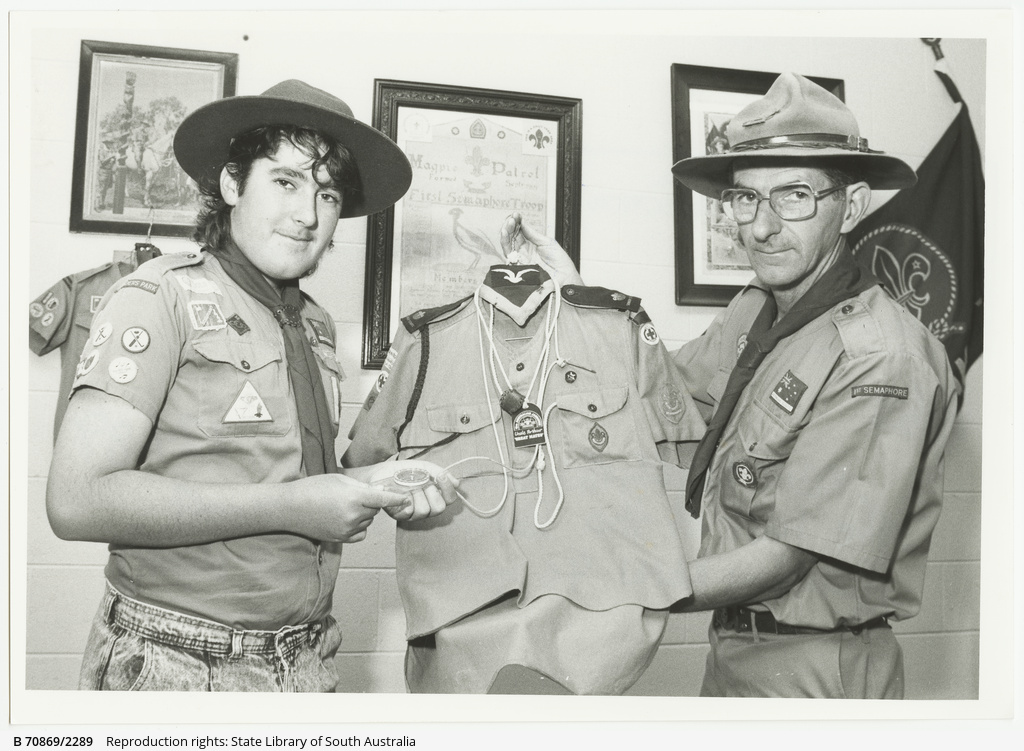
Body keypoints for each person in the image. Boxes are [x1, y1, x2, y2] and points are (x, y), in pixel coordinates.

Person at [504, 73, 960, 699]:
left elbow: (787, 556)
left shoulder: (880, 356)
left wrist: (625, 587)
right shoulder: (757, 309)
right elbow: (664, 400)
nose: (762, 227)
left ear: (850, 206)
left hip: (817, 670)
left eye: (793, 195)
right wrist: (574, 299)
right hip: (736, 650)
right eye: (746, 199)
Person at [46, 80, 458, 692]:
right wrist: (292, 506)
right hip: (175, 658)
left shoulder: (314, 323)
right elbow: (76, 501)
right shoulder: (160, 295)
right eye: (286, 182)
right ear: (233, 185)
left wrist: (373, 481)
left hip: (305, 655)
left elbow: (285, 476)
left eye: (327, 193)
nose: (309, 215)